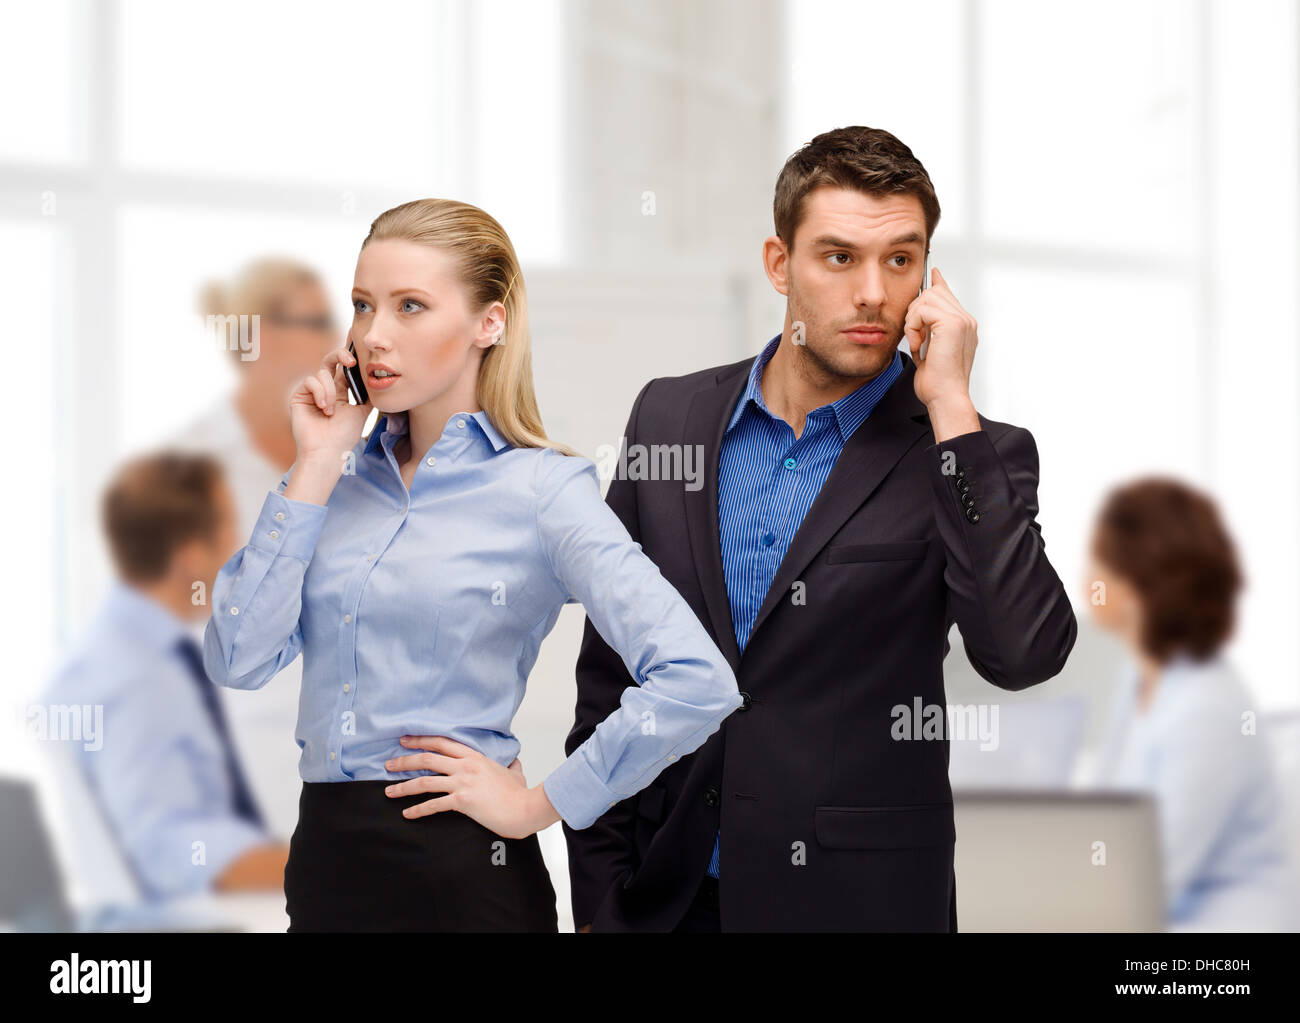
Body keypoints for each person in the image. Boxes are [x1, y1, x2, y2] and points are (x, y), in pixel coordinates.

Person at [563, 125, 1079, 932]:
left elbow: (1024, 654)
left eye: (900, 260)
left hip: (861, 906)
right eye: (840, 257)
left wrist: (950, 404)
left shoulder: (970, 450)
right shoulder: (669, 416)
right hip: (666, 902)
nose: (873, 292)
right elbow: (610, 675)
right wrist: (600, 902)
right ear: (780, 264)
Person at [202, 197, 743, 932]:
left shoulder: (544, 489)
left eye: (410, 306)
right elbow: (237, 658)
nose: (373, 335)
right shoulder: (333, 484)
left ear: (489, 323)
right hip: (325, 870)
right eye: (363, 306)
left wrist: (540, 803)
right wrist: (317, 462)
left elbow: (697, 679)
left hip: (462, 879)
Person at [44, 453, 288, 905]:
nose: (240, 546)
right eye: (229, 528)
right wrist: (318, 868)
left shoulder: (127, 652)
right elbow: (166, 847)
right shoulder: (137, 677)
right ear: (191, 557)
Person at [173, 258, 343, 841]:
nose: (333, 336)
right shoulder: (195, 461)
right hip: (231, 747)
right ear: (262, 335)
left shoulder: (343, 450)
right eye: (314, 321)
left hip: (332, 750)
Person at [1087, 477, 1300, 931]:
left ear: (1136, 584)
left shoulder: (1207, 707)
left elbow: (1152, 878)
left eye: (1099, 562)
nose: (1088, 581)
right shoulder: (1140, 678)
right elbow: (1102, 822)